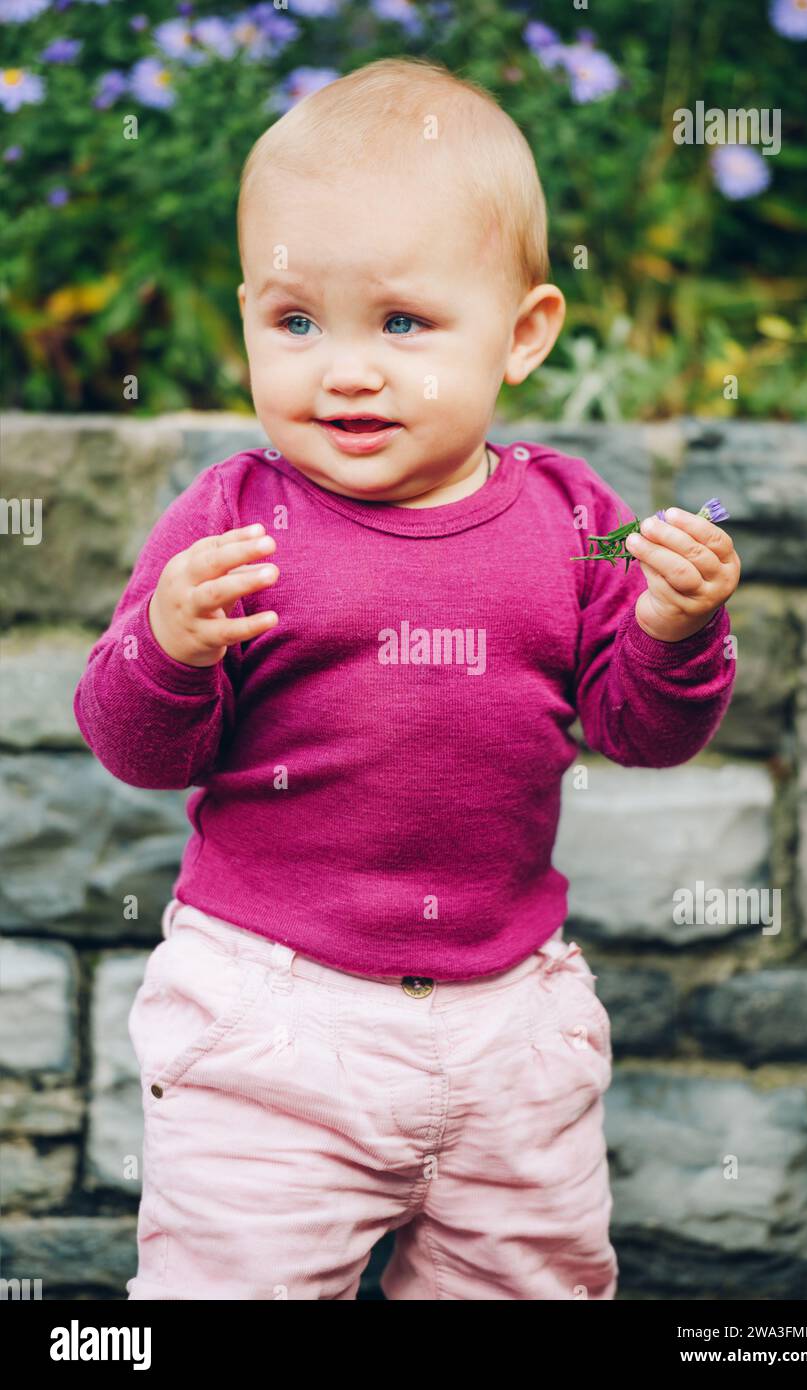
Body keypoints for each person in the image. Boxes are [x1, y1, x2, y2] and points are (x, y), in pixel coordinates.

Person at [73, 56, 740, 1300]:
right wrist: (165, 649)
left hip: (511, 1027)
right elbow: (138, 750)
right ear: (248, 323)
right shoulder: (230, 520)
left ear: (523, 334)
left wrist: (670, 628)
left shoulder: (571, 520)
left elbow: (636, 728)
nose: (345, 369)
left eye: (400, 322)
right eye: (294, 322)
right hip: (273, 1018)